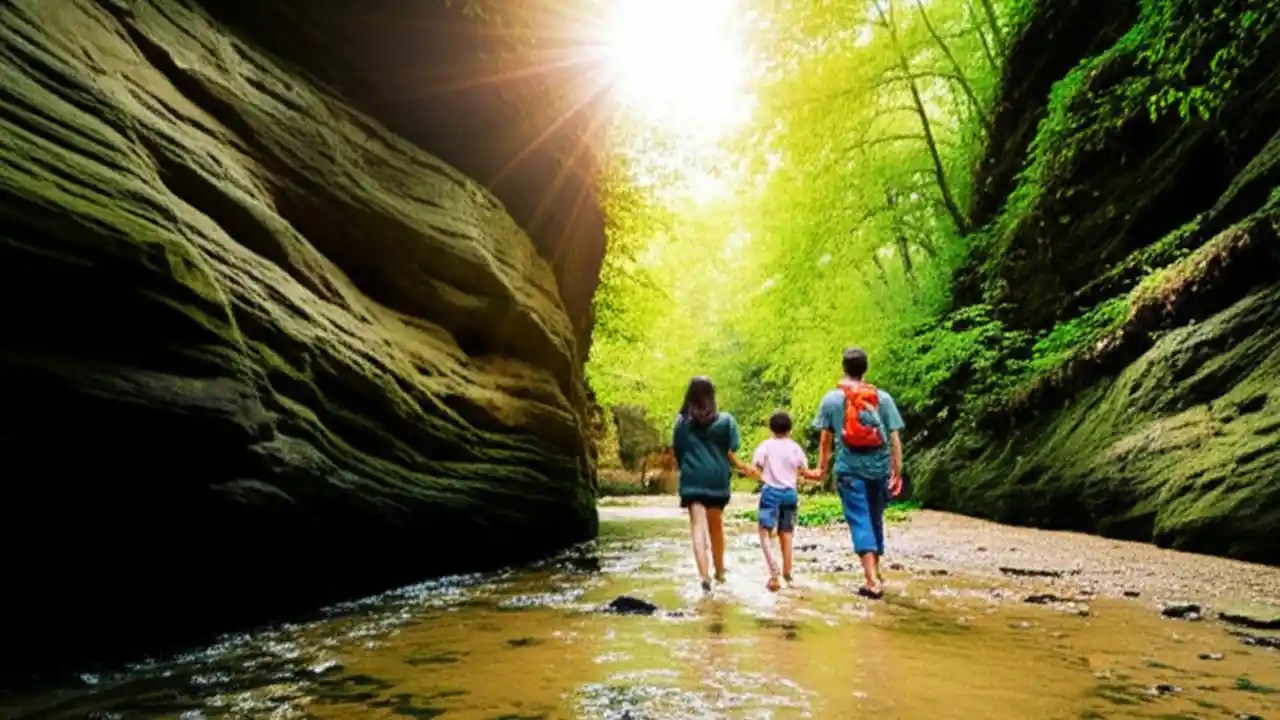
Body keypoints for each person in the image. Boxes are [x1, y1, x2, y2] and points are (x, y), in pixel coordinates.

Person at [812, 347, 905, 598]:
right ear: (865, 369)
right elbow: (894, 437)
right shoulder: (882, 398)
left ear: (844, 368)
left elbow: (825, 440)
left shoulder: (832, 400)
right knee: (874, 518)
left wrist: (821, 468)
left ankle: (871, 579)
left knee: (859, 520)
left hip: (849, 470)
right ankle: (876, 571)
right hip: (879, 469)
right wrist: (897, 470)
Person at [672, 376, 757, 592]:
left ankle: (704, 577)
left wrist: (689, 465)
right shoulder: (726, 421)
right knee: (716, 525)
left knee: (697, 527)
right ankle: (720, 572)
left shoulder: (681, 422)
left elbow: (678, 450)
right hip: (717, 479)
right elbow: (733, 447)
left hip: (693, 478)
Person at [750, 411, 820, 592]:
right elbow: (804, 470)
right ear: (790, 428)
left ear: (771, 428)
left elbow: (756, 467)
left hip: (770, 493)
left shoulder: (765, 446)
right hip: (790, 493)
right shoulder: (795, 448)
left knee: (764, 531)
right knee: (786, 532)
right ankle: (788, 572)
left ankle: (774, 570)